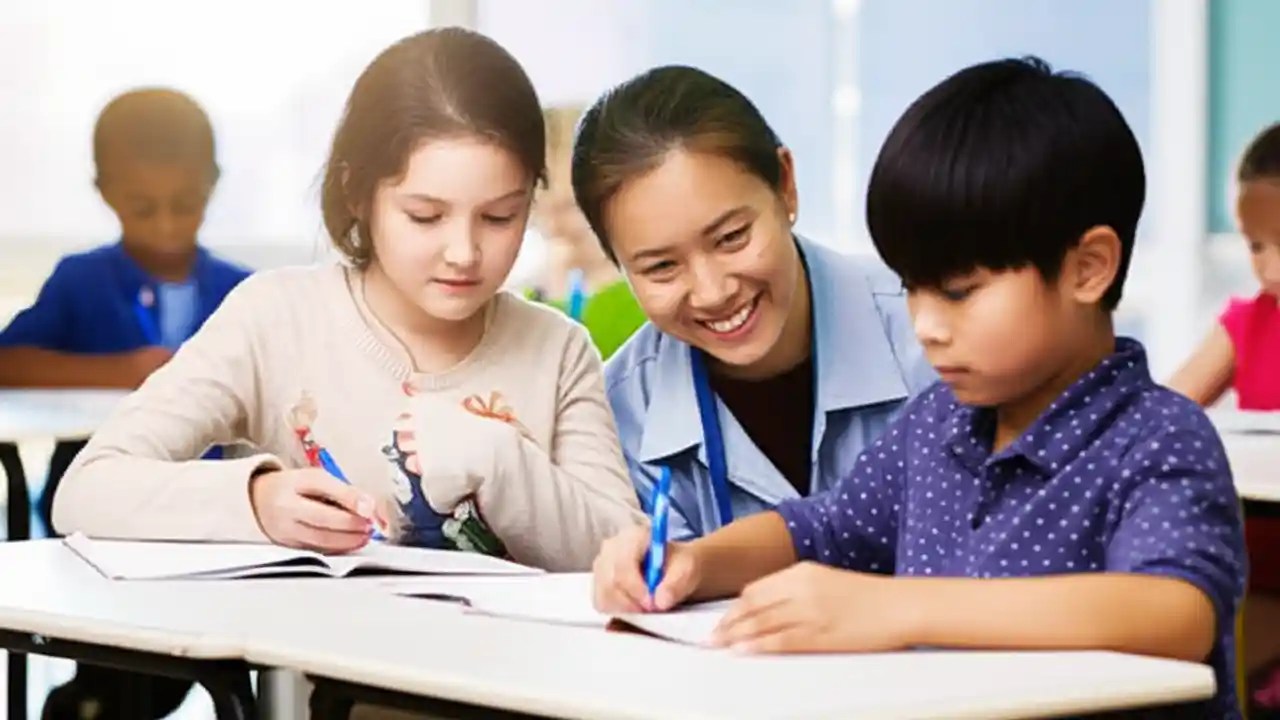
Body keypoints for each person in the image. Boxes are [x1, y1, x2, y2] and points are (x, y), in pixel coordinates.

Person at [593, 57, 1246, 718]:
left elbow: (1175, 611)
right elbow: (818, 529)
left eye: (959, 293)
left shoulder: (1157, 436)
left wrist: (895, 607)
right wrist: (694, 561)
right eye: (913, 288)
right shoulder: (939, 423)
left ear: (1088, 268)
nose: (927, 326)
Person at [53, 28, 642, 575]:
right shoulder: (277, 317)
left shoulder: (558, 350)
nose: (463, 252)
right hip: (329, 687)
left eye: (499, 216)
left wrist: (498, 456)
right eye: (425, 215)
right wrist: (254, 501)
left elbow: (621, 553)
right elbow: (88, 490)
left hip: (511, 685)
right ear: (356, 191)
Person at [573, 65, 933, 539]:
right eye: (661, 267)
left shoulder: (931, 332)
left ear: (786, 185)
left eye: (731, 237)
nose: (712, 292)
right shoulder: (622, 414)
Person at [0, 87, 248, 720]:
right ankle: (86, 703)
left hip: (210, 527)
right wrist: (126, 372)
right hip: (98, 528)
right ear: (105, 191)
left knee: (181, 669)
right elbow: (9, 360)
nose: (166, 224)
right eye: (144, 207)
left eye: (184, 204)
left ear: (213, 186)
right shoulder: (81, 280)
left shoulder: (242, 291)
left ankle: (89, 706)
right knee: (119, 670)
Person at [1170, 120, 1280, 711]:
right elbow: (1163, 412)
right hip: (1255, 566)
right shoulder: (1248, 322)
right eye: (1257, 246)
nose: (1270, 269)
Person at [524, 105, 645, 359]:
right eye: (540, 209)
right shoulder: (531, 295)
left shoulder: (640, 298)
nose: (555, 226)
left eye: (568, 208)